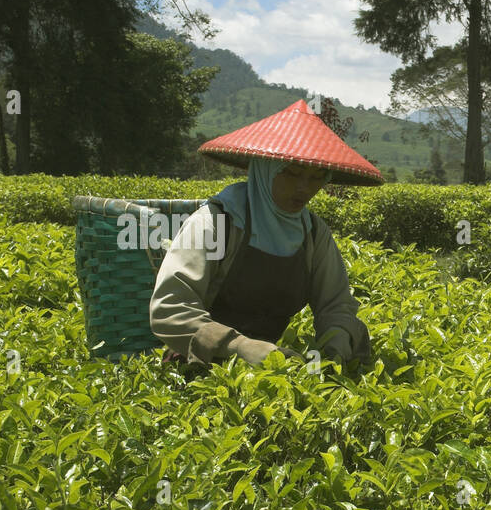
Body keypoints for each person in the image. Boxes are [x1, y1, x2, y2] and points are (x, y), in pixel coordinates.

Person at [150, 99, 382, 368]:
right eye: (292, 174)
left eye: (317, 177)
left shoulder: (313, 233)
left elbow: (336, 305)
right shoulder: (217, 222)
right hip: (201, 366)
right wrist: (239, 346)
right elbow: (170, 308)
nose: (304, 188)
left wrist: (334, 347)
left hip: (274, 369)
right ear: (264, 170)